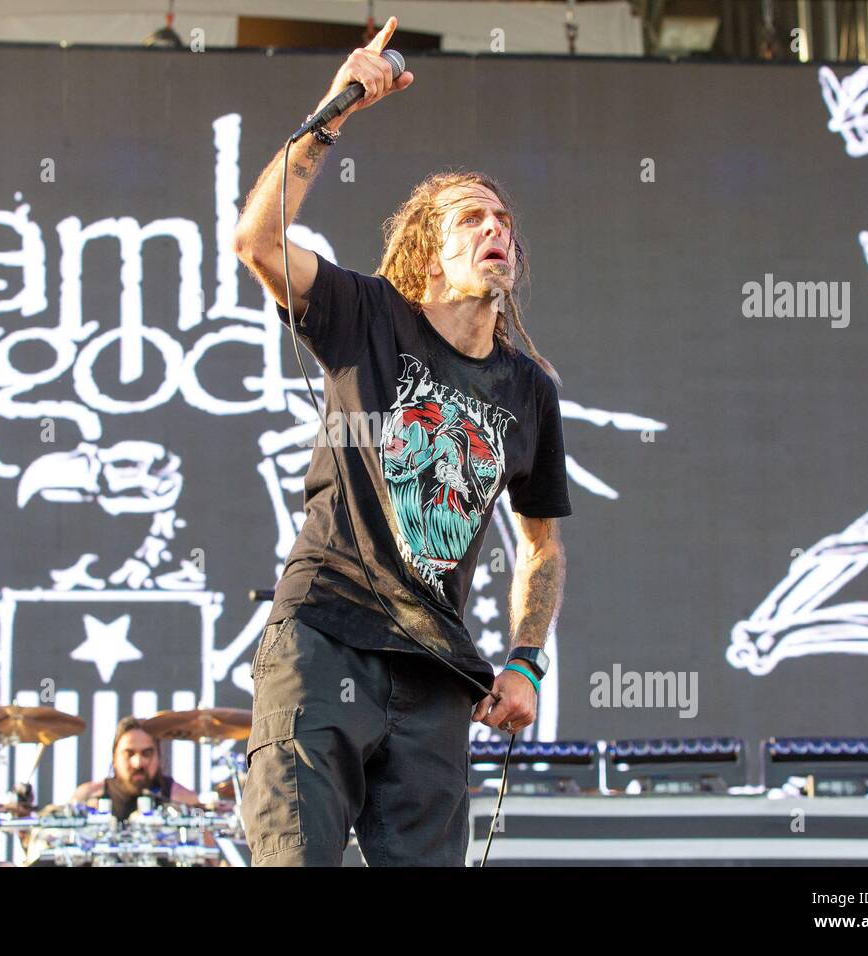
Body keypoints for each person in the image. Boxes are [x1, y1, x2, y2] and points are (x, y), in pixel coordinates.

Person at [232, 16, 572, 867]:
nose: (496, 229)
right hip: (325, 637)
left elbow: (543, 546)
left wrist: (526, 661)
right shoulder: (369, 317)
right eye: (471, 219)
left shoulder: (529, 389)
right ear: (430, 253)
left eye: (502, 219)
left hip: (435, 675)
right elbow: (257, 240)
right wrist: (338, 105)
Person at [70, 716, 200, 819]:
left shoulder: (184, 800)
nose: (138, 763)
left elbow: (207, 847)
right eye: (129, 754)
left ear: (159, 756)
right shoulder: (87, 797)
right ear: (114, 757)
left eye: (147, 754)